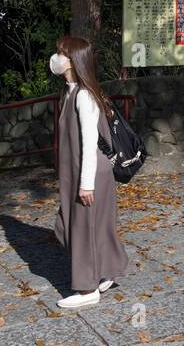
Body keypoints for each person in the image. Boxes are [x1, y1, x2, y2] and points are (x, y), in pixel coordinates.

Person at [50, 36, 131, 309]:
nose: (56, 59)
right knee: (77, 227)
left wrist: (86, 184)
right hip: (82, 173)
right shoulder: (72, 92)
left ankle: (87, 290)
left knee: (82, 230)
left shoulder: (83, 96)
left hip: (89, 175)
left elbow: (87, 141)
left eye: (60, 54)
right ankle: (107, 270)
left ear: (73, 61)